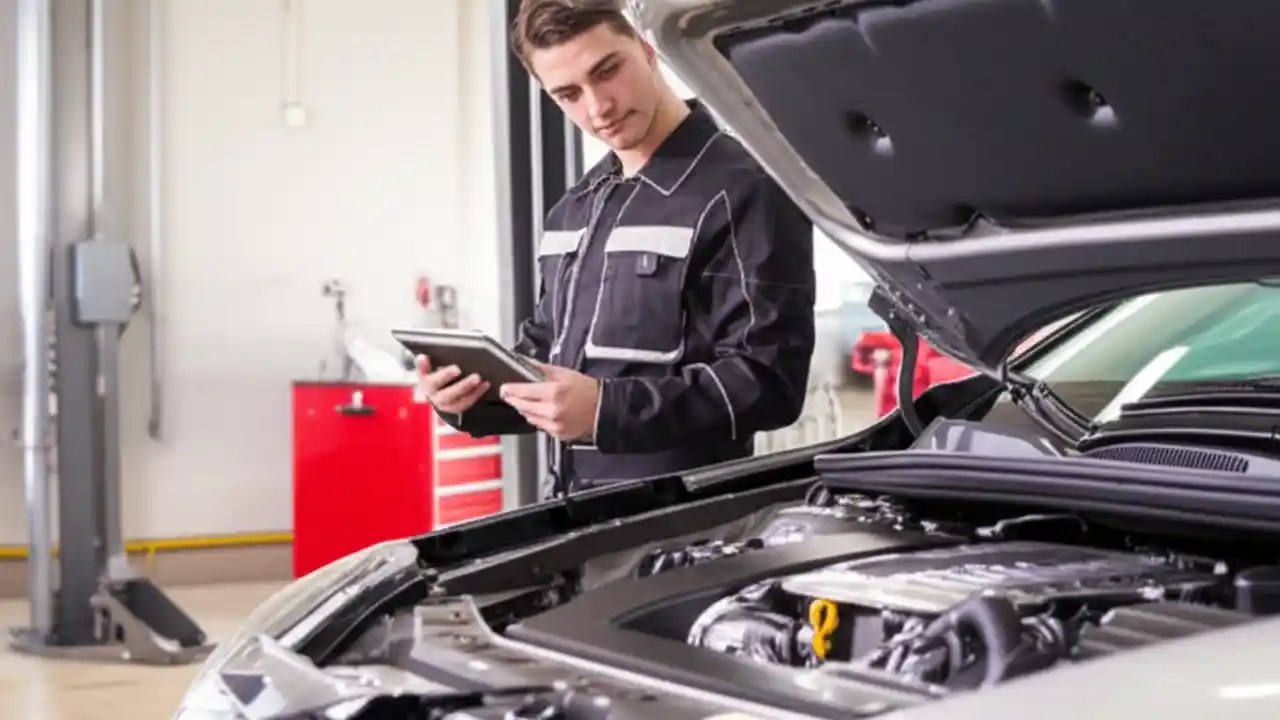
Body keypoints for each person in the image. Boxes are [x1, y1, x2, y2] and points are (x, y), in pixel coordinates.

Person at [416, 0, 815, 497]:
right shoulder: (574, 209)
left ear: (647, 49)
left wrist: (606, 411)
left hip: (680, 517)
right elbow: (545, 354)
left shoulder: (747, 188)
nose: (598, 107)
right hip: (567, 505)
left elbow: (770, 383)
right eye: (568, 94)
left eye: (608, 71)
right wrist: (469, 398)